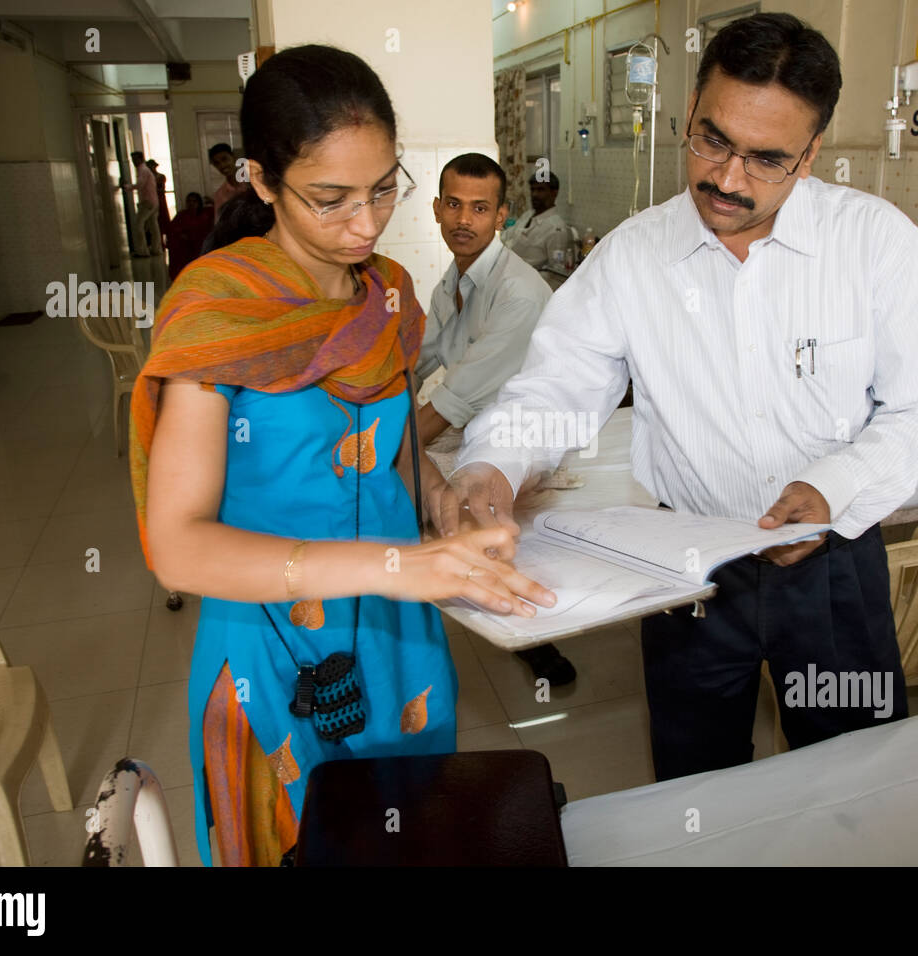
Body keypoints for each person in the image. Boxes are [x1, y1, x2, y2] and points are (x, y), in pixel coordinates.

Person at [434, 13, 918, 781]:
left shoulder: (873, 244)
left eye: (766, 160)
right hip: (687, 571)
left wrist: (835, 486)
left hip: (830, 568)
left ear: (813, 153)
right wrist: (493, 463)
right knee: (695, 778)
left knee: (854, 775)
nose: (727, 179)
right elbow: (560, 384)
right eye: (712, 140)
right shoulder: (635, 255)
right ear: (689, 110)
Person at [128, 45, 554, 866]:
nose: (366, 224)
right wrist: (395, 565)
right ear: (259, 179)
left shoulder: (386, 295)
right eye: (331, 199)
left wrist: (448, 499)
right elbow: (178, 546)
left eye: (384, 188)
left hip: (397, 641)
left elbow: (391, 453)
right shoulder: (218, 311)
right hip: (271, 652)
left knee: (410, 837)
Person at [416, 152, 577, 687]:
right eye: (455, 206)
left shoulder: (519, 293)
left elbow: (448, 406)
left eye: (480, 209)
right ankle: (410, 614)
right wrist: (366, 400)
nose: (465, 220)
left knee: (417, 481)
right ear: (436, 210)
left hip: (520, 435)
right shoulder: (456, 279)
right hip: (475, 423)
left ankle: (533, 638)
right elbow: (420, 358)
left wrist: (372, 441)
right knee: (409, 476)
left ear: (502, 216)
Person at [503, 172, 575, 290]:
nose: (535, 194)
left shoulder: (556, 229)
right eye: (532, 190)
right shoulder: (528, 215)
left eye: (541, 190)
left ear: (554, 193)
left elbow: (556, 275)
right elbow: (506, 237)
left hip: (526, 286)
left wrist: (525, 286)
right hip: (507, 277)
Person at [165, 192, 214, 280]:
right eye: (189, 201)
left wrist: (212, 201)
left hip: (201, 246)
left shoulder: (206, 213)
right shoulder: (182, 215)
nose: (191, 203)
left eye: (194, 201)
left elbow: (220, 210)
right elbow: (172, 229)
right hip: (186, 247)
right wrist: (182, 235)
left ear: (199, 203)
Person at [131, 151, 162, 256]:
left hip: (147, 202)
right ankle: (156, 248)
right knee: (153, 226)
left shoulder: (143, 170)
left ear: (140, 159)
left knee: (139, 224)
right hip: (153, 201)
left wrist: (127, 186)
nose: (134, 162)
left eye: (135, 159)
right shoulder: (145, 170)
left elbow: (140, 184)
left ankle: (142, 250)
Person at [209, 142, 251, 217]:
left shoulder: (252, 181)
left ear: (234, 158)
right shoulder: (219, 195)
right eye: (217, 163)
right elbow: (221, 223)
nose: (222, 165)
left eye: (225, 159)